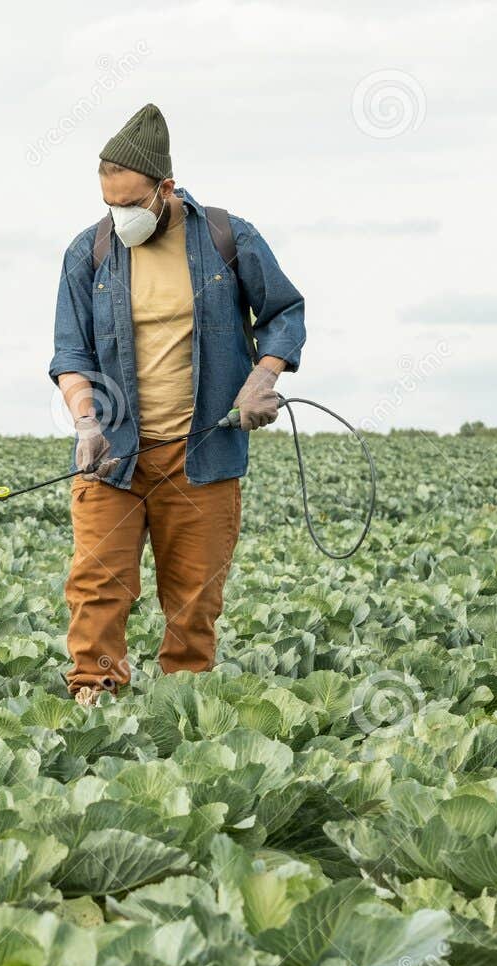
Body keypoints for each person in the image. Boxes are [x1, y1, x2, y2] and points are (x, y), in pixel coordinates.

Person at [49, 103, 307, 705]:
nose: (122, 217)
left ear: (165, 189)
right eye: (111, 205)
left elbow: (283, 313)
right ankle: (95, 692)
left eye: (133, 204)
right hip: (113, 456)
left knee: (194, 597)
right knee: (96, 585)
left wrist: (264, 377)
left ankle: (181, 707)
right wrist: (86, 423)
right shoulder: (87, 253)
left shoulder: (226, 238)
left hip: (202, 455)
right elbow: (70, 355)